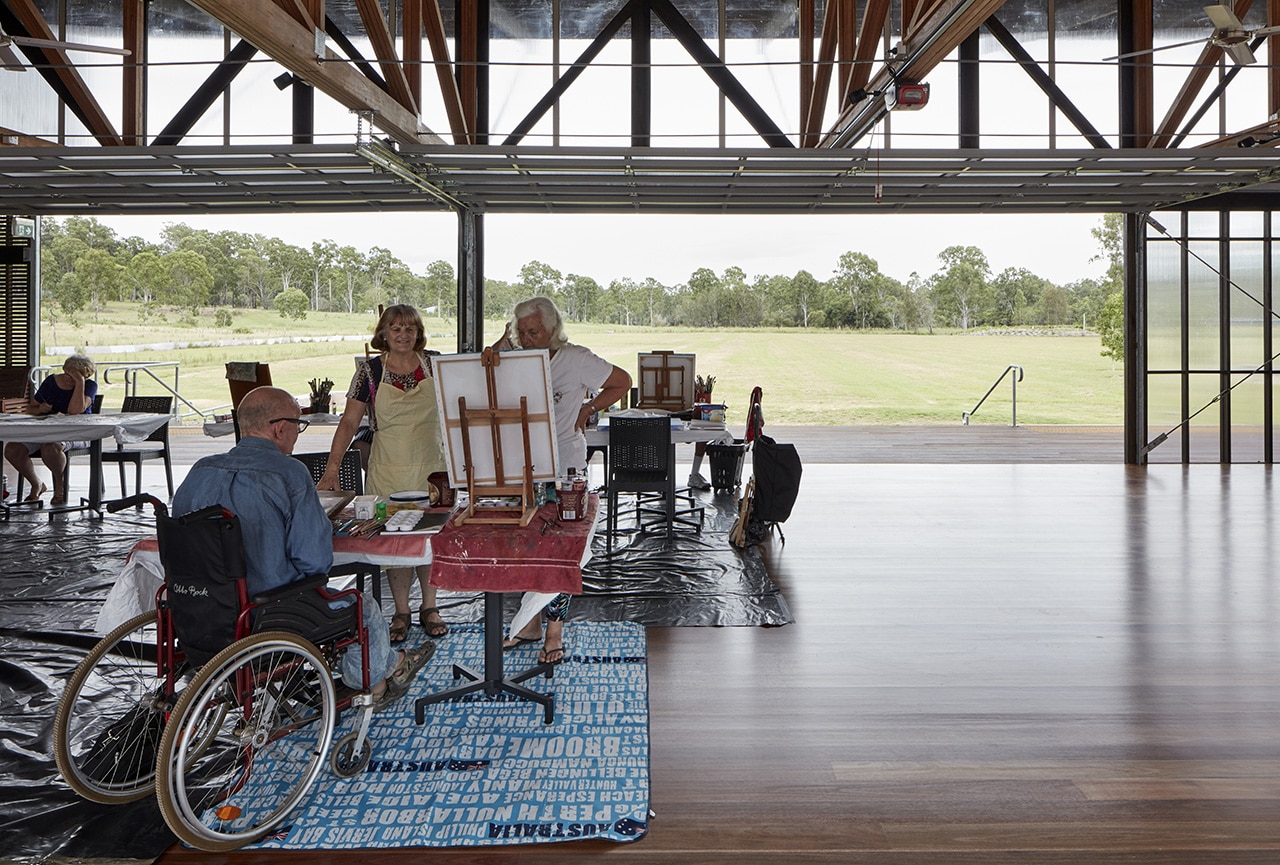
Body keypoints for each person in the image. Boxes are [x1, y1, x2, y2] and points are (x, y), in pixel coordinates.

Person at [173, 386, 432, 711]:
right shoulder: (288, 474)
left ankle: (387, 666)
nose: (298, 432)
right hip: (268, 613)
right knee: (361, 604)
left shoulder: (200, 471)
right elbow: (314, 561)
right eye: (299, 424)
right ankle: (378, 682)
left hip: (198, 608)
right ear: (280, 427)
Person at [489, 296, 632, 665]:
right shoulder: (518, 360)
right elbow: (483, 379)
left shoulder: (577, 358)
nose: (526, 337)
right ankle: (531, 624)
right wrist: (498, 348)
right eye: (521, 331)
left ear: (552, 329)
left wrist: (589, 407)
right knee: (523, 544)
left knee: (561, 550)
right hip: (524, 469)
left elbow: (622, 382)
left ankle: (554, 632)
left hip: (566, 468)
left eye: (533, 331)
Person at [318, 304, 449, 644]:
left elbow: (469, 394)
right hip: (388, 468)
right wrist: (332, 468)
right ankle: (402, 611)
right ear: (384, 333)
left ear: (419, 333)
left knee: (430, 538)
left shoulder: (436, 363)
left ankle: (430, 607)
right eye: (396, 329)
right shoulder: (370, 372)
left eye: (410, 328)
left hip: (432, 467)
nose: (403, 334)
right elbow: (349, 422)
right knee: (395, 541)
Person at [4, 354, 98, 506]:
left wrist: (80, 383)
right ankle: (36, 484)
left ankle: (59, 487)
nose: (69, 379)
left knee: (51, 448)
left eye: (75, 376)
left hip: (77, 432)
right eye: (68, 373)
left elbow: (75, 410)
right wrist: (40, 408)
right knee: (12, 449)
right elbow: (31, 408)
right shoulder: (51, 382)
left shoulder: (89, 385)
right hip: (46, 430)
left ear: (85, 376)